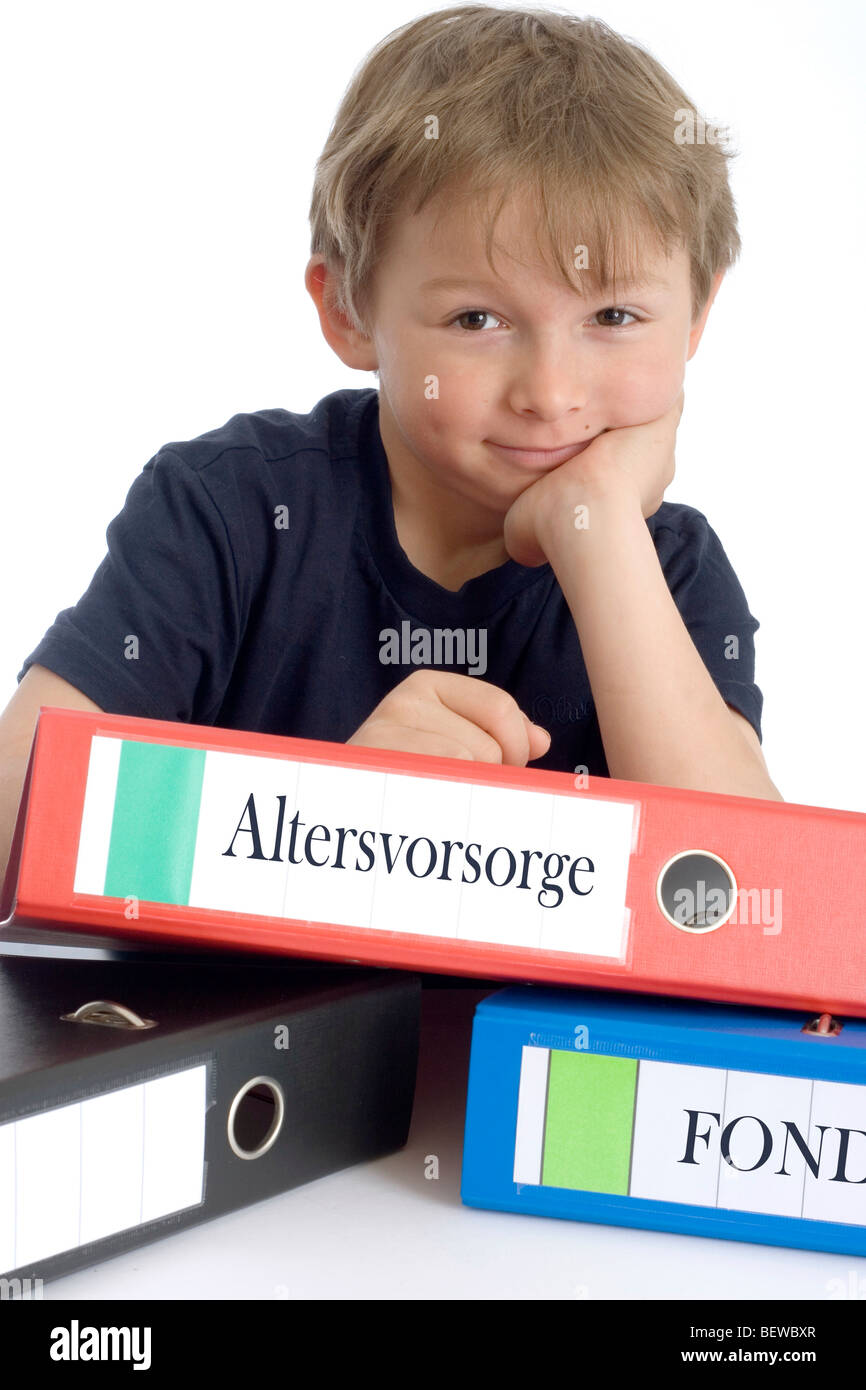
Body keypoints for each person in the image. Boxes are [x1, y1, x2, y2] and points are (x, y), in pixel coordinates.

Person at [0, 6, 782, 885]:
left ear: (698, 314)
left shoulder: (667, 573)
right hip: (240, 1023)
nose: (550, 394)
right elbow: (16, 814)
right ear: (349, 311)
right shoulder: (230, 510)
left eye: (614, 317)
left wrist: (594, 525)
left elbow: (748, 891)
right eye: (476, 319)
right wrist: (330, 809)